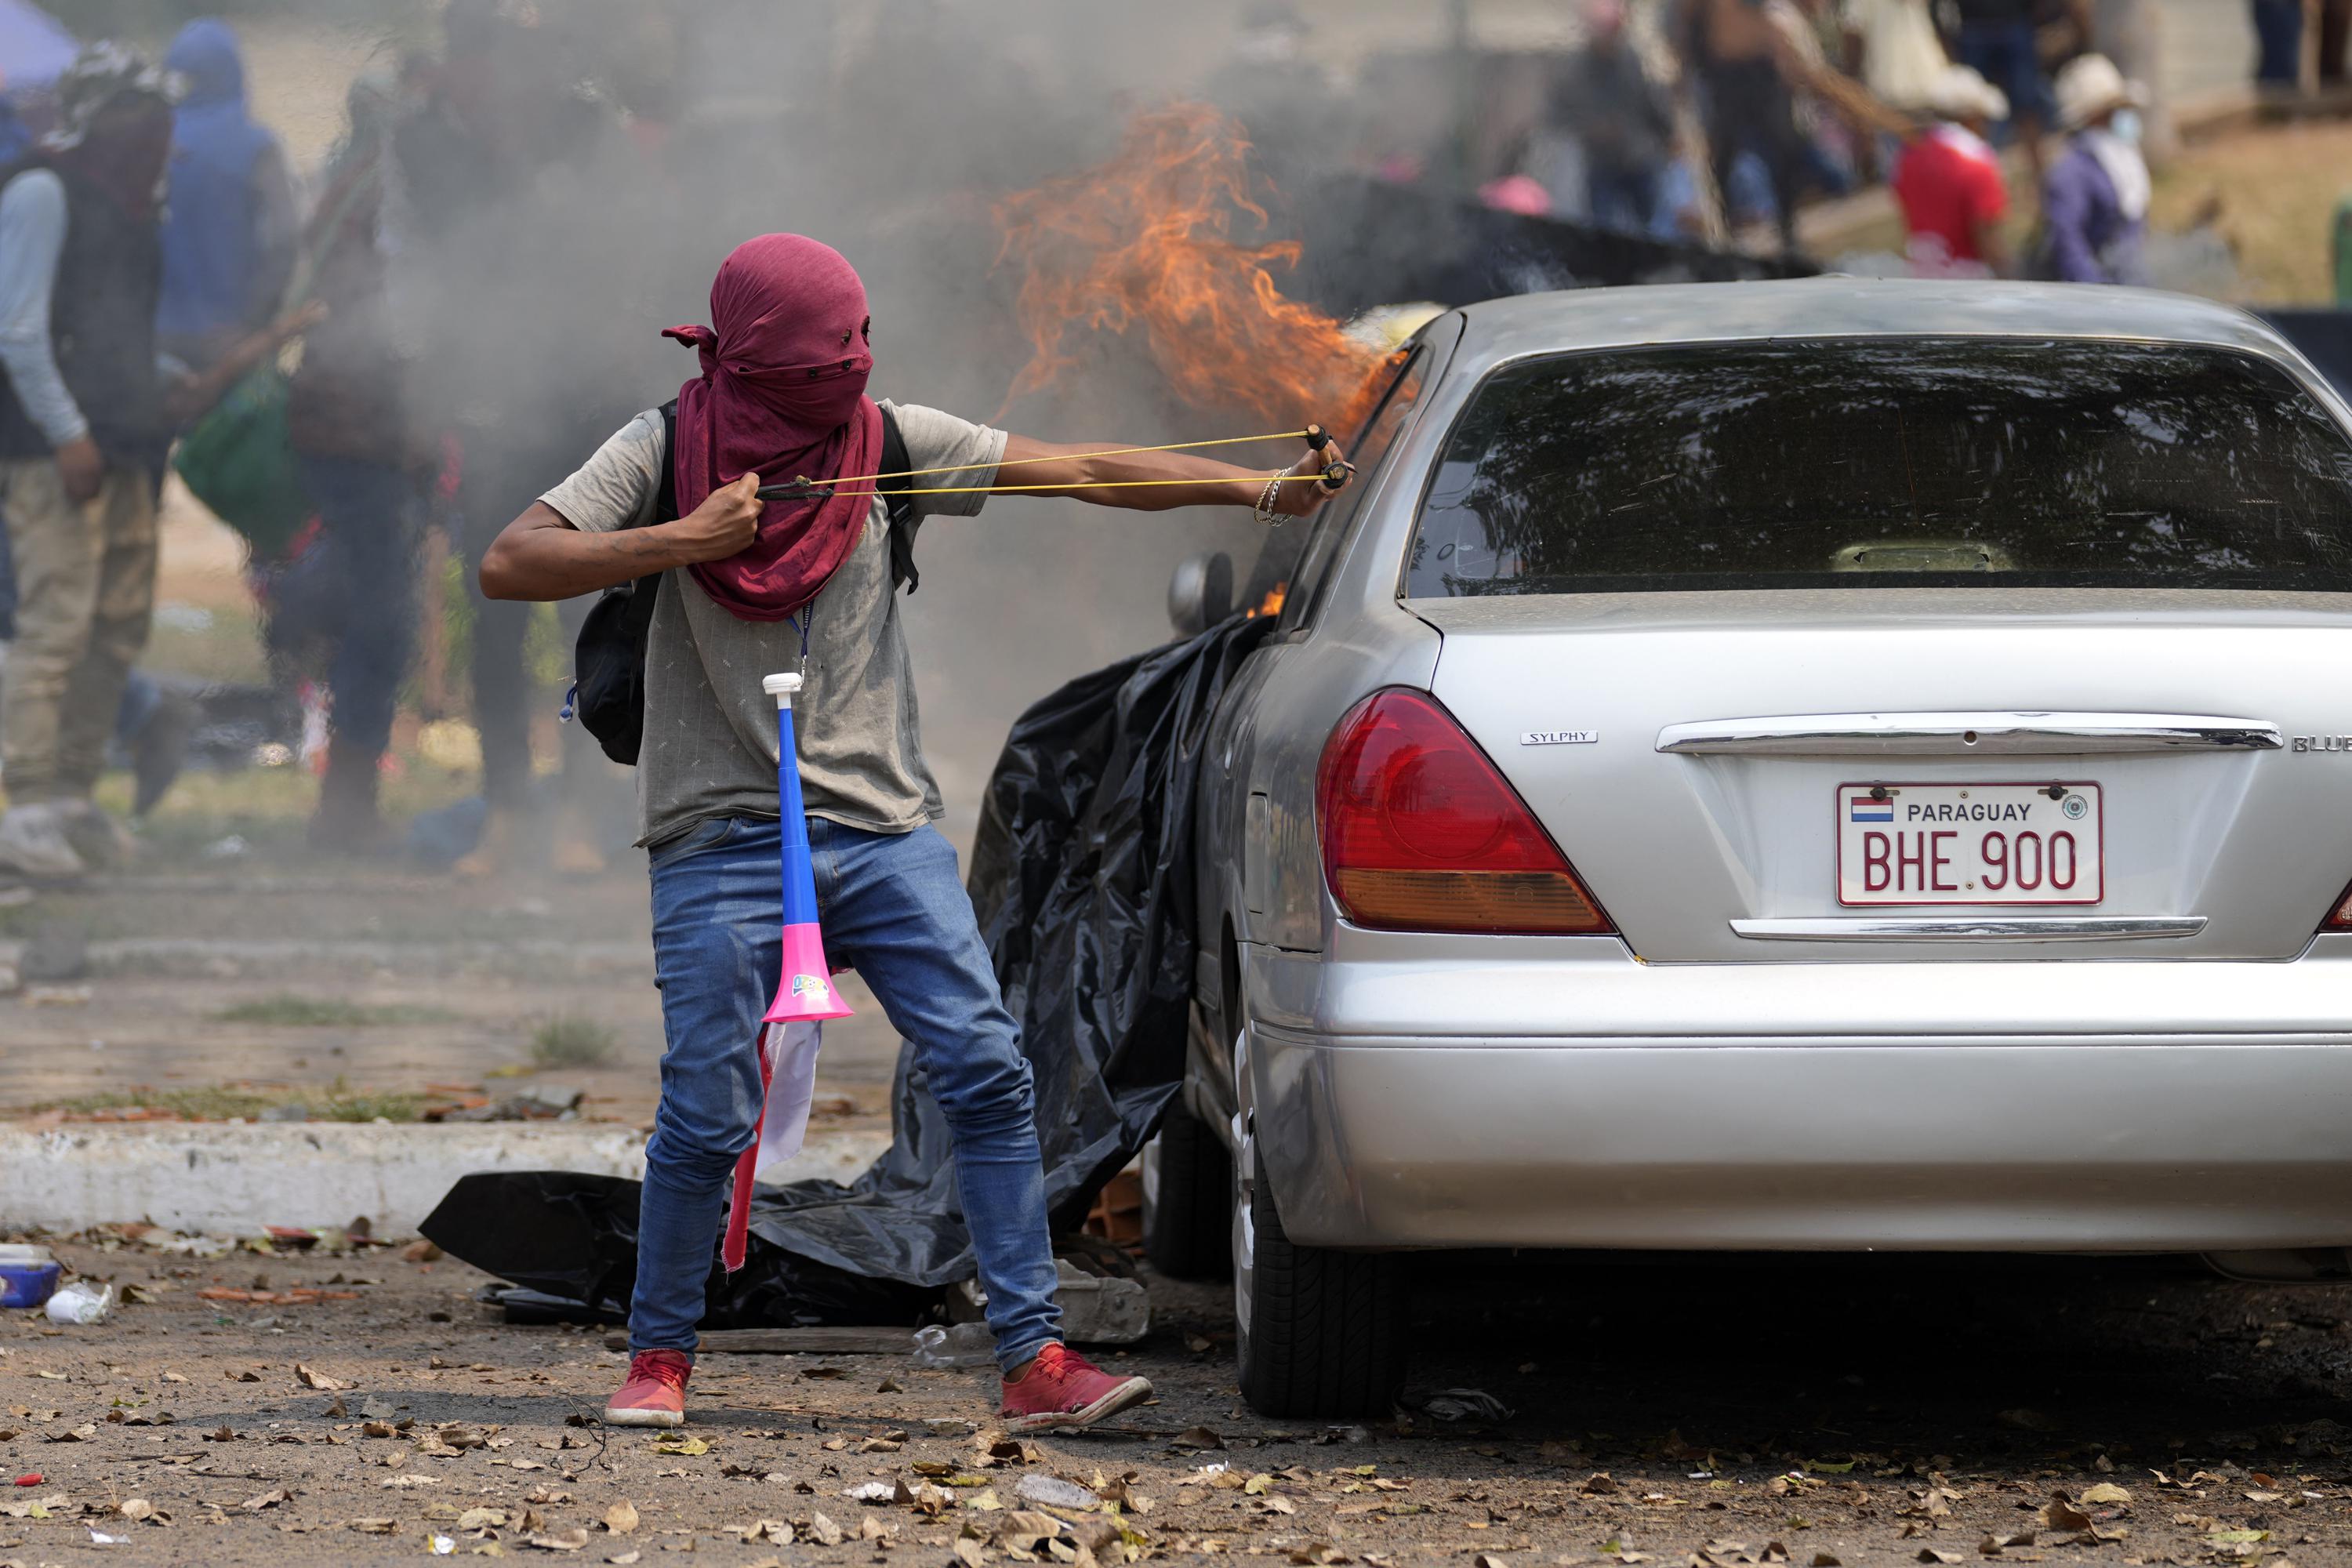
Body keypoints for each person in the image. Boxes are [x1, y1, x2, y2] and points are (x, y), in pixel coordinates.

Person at [477, 234, 1352, 1430]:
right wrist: (681, 543)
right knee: (706, 1108)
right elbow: (511, 560)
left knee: (989, 1073)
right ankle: (660, 1360)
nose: (845, 374)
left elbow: (1082, 469)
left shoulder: (884, 445)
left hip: (882, 829)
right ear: (741, 358)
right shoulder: (662, 449)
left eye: (858, 348)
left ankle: (1034, 1361)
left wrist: (1253, 489)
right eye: (816, 362)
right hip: (718, 835)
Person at [0, 47, 179, 877]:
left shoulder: (137, 205)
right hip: (57, 453)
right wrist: (68, 431)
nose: (155, 133)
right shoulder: (42, 190)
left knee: (113, 628)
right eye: (137, 114)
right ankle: (25, 804)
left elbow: (119, 334)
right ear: (99, 115)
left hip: (128, 449)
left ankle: (71, 794)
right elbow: (20, 331)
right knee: (56, 625)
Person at [284, 71, 422, 854]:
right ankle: (346, 806)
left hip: (342, 426)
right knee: (382, 611)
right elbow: (393, 323)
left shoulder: (346, 183)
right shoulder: (382, 196)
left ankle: (348, 796)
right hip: (361, 430)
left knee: (371, 604)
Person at [156, 18, 298, 373]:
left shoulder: (151, 141)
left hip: (154, 341)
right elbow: (286, 239)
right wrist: (254, 322)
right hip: (231, 342)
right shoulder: (257, 147)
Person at [1675, 0, 1810, 249]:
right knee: (1724, 158)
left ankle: (1788, 225)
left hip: (1761, 70)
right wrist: (1685, 73)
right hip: (1723, 77)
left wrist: (1784, 58)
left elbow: (1769, 14)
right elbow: (1688, 29)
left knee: (1785, 147)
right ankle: (1727, 230)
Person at [1554, 0, 1676, 233]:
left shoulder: (1633, 62)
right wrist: (1591, 130)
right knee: (1603, 231)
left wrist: (1668, 135)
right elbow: (1562, 115)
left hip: (1639, 161)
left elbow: (1652, 104)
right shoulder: (1577, 70)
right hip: (1603, 165)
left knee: (1655, 228)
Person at [2041, 53, 2149, 285]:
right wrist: (2096, 292)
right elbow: (2067, 240)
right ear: (2094, 116)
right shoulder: (2072, 170)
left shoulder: (2123, 158)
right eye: (2114, 111)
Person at [1892, 64, 2011, 276]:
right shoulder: (1977, 162)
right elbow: (1988, 238)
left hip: (1922, 276)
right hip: (1971, 281)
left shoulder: (1907, 158)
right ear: (1972, 118)